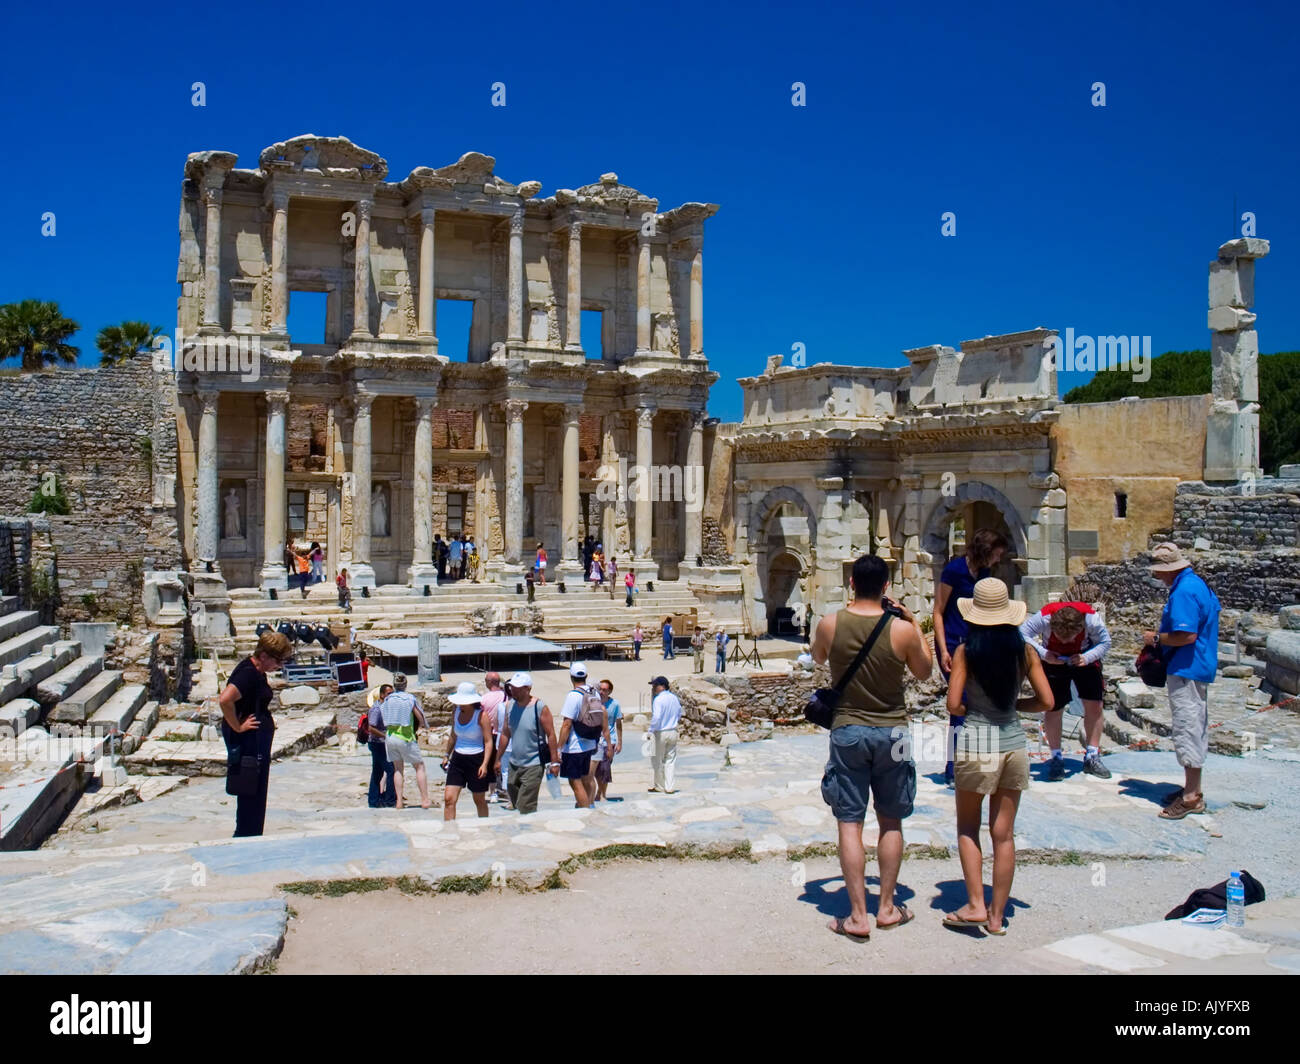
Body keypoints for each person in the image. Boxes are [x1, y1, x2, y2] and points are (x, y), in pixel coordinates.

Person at [810, 554, 932, 940]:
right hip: (892, 731)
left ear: (850, 583)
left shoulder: (830, 624)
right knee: (891, 819)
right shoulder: (902, 630)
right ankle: (887, 907)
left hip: (848, 731)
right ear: (886, 587)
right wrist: (913, 620)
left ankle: (858, 915)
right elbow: (926, 671)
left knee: (850, 821)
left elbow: (817, 657)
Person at [945, 578, 1054, 936]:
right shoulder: (1025, 652)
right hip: (1013, 743)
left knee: (967, 827)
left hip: (978, 742)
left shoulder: (965, 652)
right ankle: (996, 917)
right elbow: (1047, 702)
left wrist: (976, 706)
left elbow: (953, 704)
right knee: (1004, 834)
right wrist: (1013, 705)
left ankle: (975, 904)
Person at [1143, 542, 1221, 821]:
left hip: (1187, 667)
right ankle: (1192, 788)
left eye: (1160, 572)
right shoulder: (1196, 584)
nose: (1158, 577)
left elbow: (1185, 636)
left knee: (1187, 727)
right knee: (1194, 726)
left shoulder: (1184, 591)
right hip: (1196, 666)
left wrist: (1154, 638)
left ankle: (1190, 798)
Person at [932, 528, 1010, 786]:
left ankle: (972, 761)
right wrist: (943, 650)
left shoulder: (986, 574)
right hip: (953, 645)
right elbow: (938, 612)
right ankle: (953, 767)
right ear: (986, 552)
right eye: (996, 554)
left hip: (978, 645)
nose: (998, 560)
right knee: (960, 702)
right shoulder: (954, 570)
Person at [1020, 600, 1113, 779]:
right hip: (1052, 659)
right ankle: (1056, 756)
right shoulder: (1044, 617)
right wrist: (1043, 653)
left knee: (1094, 706)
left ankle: (1092, 755)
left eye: (1068, 638)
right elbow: (1022, 633)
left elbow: (1105, 641)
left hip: (1085, 656)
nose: (1064, 641)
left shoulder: (1091, 619)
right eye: (1060, 637)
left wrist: (1086, 657)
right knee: (1053, 707)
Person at [218, 631, 293, 837]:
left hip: (257, 743)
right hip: (249, 745)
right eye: (278, 661)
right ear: (263, 656)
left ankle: (252, 833)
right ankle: (246, 835)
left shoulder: (257, 672)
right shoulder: (248, 673)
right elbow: (225, 700)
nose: (279, 666)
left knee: (256, 793)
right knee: (250, 791)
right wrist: (238, 726)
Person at [497, 672, 560, 815]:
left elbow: (551, 735)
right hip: (514, 763)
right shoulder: (510, 706)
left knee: (526, 805)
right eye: (512, 687)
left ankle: (526, 831)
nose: (513, 690)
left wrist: (555, 762)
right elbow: (505, 733)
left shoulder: (539, 707)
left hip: (534, 764)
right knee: (515, 801)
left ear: (528, 689)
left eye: (518, 688)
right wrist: (498, 759)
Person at [557, 663, 608, 808]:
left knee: (575, 781)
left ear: (571, 677)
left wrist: (559, 748)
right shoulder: (594, 693)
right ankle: (587, 805)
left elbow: (567, 724)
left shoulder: (573, 695)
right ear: (585, 676)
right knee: (586, 778)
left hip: (574, 745)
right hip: (590, 742)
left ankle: (584, 809)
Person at [440, 682, 494, 820]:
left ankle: (484, 825)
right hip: (458, 758)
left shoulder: (481, 716)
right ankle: (450, 829)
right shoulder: (456, 711)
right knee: (449, 799)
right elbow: (453, 735)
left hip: (476, 758)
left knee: (479, 799)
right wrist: (447, 754)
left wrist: (485, 764)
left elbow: (488, 741)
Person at [379, 674, 431, 809]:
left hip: (390, 736)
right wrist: (421, 725)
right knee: (419, 766)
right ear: (406, 684)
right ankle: (425, 799)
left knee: (398, 769)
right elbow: (419, 714)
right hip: (405, 736)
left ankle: (399, 802)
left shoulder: (388, 699)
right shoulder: (409, 698)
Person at [646, 676, 682, 794]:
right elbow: (679, 713)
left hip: (661, 732)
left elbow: (657, 717)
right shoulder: (674, 698)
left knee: (657, 760)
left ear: (662, 686)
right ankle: (669, 786)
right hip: (673, 730)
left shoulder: (658, 699)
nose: (654, 688)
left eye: (655, 686)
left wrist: (651, 730)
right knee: (670, 760)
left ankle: (659, 786)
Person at [363, 683, 396, 808]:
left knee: (377, 772)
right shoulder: (376, 709)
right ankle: (389, 800)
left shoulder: (386, 707)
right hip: (377, 744)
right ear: (382, 695)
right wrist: (385, 736)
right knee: (390, 770)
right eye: (389, 694)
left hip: (382, 744)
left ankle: (374, 800)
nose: (391, 696)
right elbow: (371, 727)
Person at [478, 672, 507, 804]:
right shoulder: (506, 696)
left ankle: (493, 792)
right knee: (504, 762)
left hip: (490, 734)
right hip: (505, 734)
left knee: (490, 764)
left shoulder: (484, 699)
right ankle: (506, 789)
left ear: (489, 682)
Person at [592, 678, 623, 802]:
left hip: (610, 740)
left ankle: (602, 793)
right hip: (595, 740)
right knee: (594, 770)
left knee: (604, 769)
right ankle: (598, 790)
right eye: (600, 689)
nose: (602, 692)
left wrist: (619, 742)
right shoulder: (594, 703)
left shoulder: (615, 704)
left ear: (609, 691)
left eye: (605, 690)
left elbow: (618, 723)